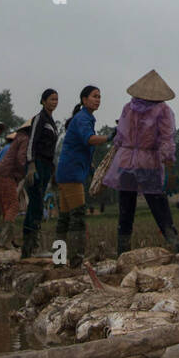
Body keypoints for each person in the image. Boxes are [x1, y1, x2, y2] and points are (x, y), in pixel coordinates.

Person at [102, 70, 179, 257]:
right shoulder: (163, 110)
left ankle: (122, 251)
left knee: (126, 208)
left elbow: (119, 138)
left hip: (126, 162)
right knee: (159, 206)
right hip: (148, 163)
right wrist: (169, 163)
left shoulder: (128, 108)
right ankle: (175, 243)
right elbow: (166, 139)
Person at [54, 86, 109, 266]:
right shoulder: (83, 118)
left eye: (99, 97)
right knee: (77, 215)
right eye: (94, 96)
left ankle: (59, 260)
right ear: (84, 100)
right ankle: (76, 260)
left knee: (64, 218)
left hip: (66, 171)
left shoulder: (85, 118)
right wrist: (110, 138)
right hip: (72, 173)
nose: (98, 99)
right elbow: (89, 139)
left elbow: (84, 146)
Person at [23, 90, 59, 259]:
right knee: (35, 204)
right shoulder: (40, 118)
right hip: (36, 165)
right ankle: (30, 245)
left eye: (56, 99)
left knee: (37, 204)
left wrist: (52, 170)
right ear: (43, 101)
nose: (54, 102)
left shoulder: (52, 121)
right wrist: (31, 165)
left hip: (46, 165)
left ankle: (30, 246)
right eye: (51, 99)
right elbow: (31, 143)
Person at [0, 123, 32, 249]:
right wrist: (26, 171)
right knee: (14, 206)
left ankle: (3, 239)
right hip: (7, 175)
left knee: (6, 208)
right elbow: (21, 159)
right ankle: (4, 240)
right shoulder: (25, 139)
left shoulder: (18, 139)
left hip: (0, 175)